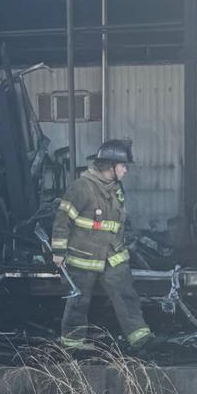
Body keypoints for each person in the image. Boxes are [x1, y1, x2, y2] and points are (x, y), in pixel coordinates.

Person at [50, 139, 154, 352]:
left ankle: (140, 337)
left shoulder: (115, 188)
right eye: (123, 166)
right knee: (78, 301)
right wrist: (58, 252)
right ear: (109, 166)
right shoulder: (81, 188)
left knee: (126, 294)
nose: (126, 170)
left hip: (111, 255)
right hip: (84, 257)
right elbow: (62, 220)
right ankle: (71, 344)